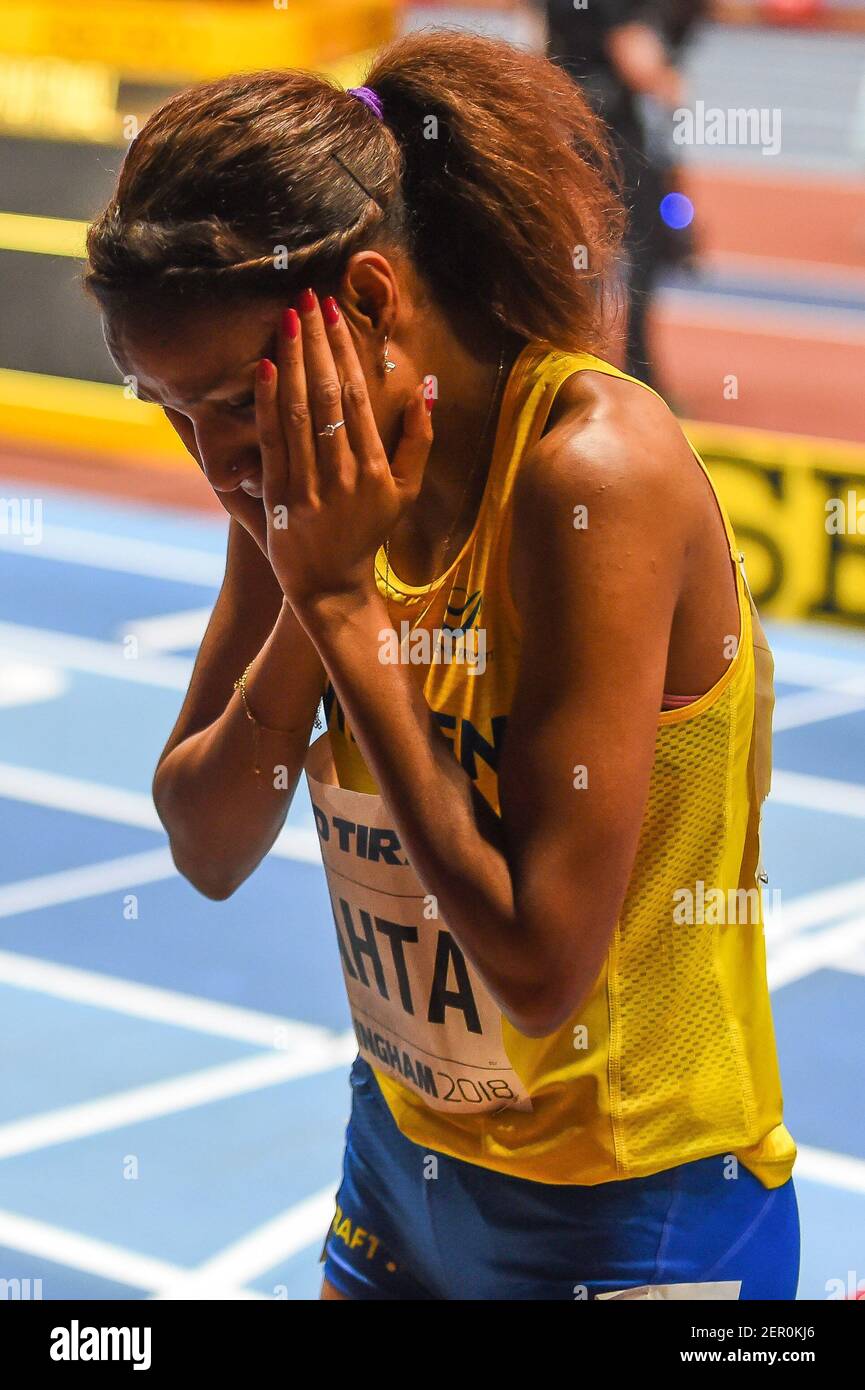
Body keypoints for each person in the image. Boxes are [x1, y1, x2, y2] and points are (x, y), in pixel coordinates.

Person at [84, 28, 798, 1301]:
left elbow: (537, 965)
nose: (215, 465)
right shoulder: (297, 495)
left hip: (631, 1209)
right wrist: (314, 589)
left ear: (364, 302)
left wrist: (346, 609)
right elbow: (204, 839)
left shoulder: (590, 476)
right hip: (401, 1167)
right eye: (170, 412)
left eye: (238, 400)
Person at [545, 0, 701, 387]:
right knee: (641, 247)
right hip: (614, 136)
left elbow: (541, 40)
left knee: (575, 251)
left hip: (568, 121)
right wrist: (668, 81)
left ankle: (568, 365)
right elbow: (634, 56)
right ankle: (638, 371)